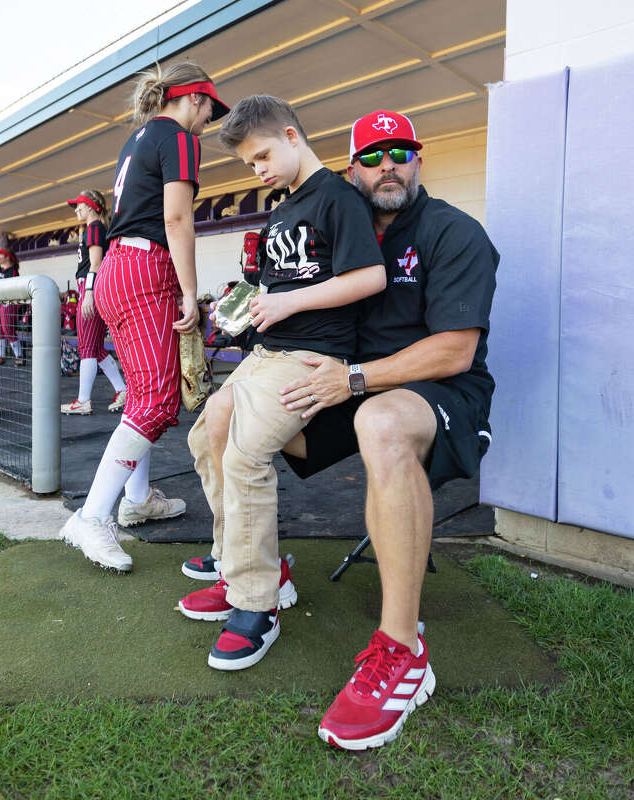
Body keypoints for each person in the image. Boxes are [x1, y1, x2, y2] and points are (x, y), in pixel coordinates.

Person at [183, 110, 498, 749]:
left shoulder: (452, 232)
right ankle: (257, 576)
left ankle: (402, 649)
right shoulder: (332, 220)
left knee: (380, 423)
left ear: (419, 161)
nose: (388, 167)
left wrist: (353, 380)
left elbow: (454, 353)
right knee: (223, 418)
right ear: (352, 168)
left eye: (401, 154)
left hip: (432, 393)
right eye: (374, 156)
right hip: (342, 382)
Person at [180, 95, 386, 672]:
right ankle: (240, 565)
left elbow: (370, 276)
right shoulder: (282, 207)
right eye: (250, 165)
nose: (260, 169)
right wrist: (231, 313)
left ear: (293, 136)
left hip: (312, 356)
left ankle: (257, 602)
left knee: (246, 456)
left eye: (265, 155)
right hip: (265, 351)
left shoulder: (338, 198)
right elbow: (267, 288)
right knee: (207, 436)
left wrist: (285, 301)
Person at [58, 61, 229, 573]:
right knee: (155, 399)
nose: (208, 119)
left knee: (141, 393)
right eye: (208, 108)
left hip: (116, 267)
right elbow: (176, 218)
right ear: (193, 99)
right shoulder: (177, 137)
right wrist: (191, 290)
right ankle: (91, 516)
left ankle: (136, 499)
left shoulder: (139, 138)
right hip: (144, 267)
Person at [60, 189, 127, 414]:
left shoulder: (95, 227)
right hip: (90, 287)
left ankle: (83, 400)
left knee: (87, 346)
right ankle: (122, 389)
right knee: (95, 347)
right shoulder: (91, 229)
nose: (77, 209)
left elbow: (96, 264)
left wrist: (88, 292)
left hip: (91, 288)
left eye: (79, 205)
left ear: (90, 207)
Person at [0, 246, 27, 366]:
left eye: (0, 255)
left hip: (7, 304)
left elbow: (13, 289)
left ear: (7, 257)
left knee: (8, 330)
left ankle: (19, 356)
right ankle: (1, 356)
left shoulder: (13, 271)